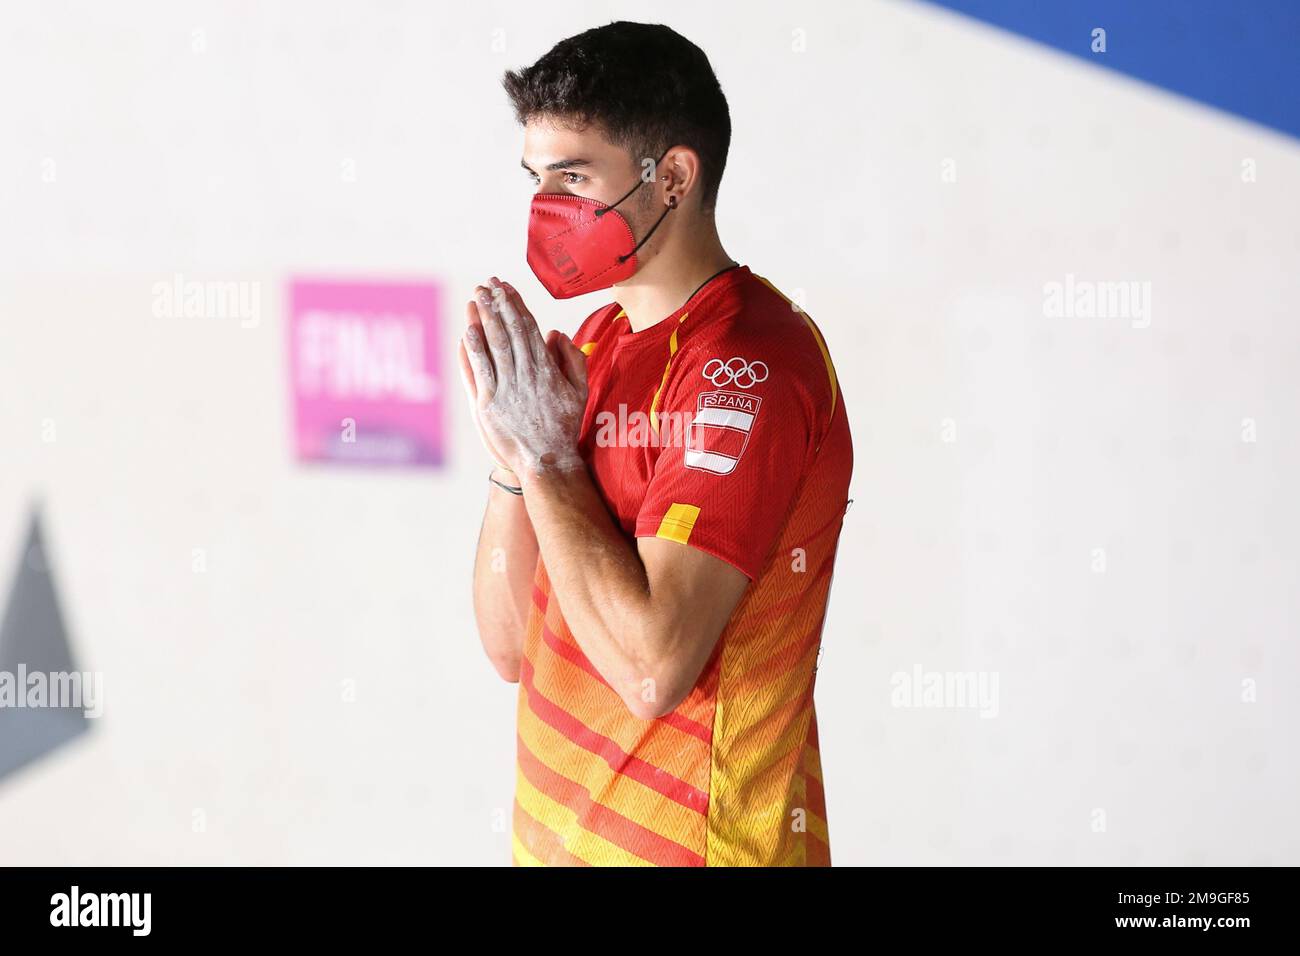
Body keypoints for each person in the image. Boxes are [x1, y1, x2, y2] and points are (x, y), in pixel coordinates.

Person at [459, 21, 852, 866]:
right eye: (537, 178)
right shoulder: (595, 341)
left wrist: (552, 460)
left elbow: (652, 670)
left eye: (573, 175)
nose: (546, 208)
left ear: (672, 176)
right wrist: (515, 461)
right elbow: (507, 648)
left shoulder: (748, 366)